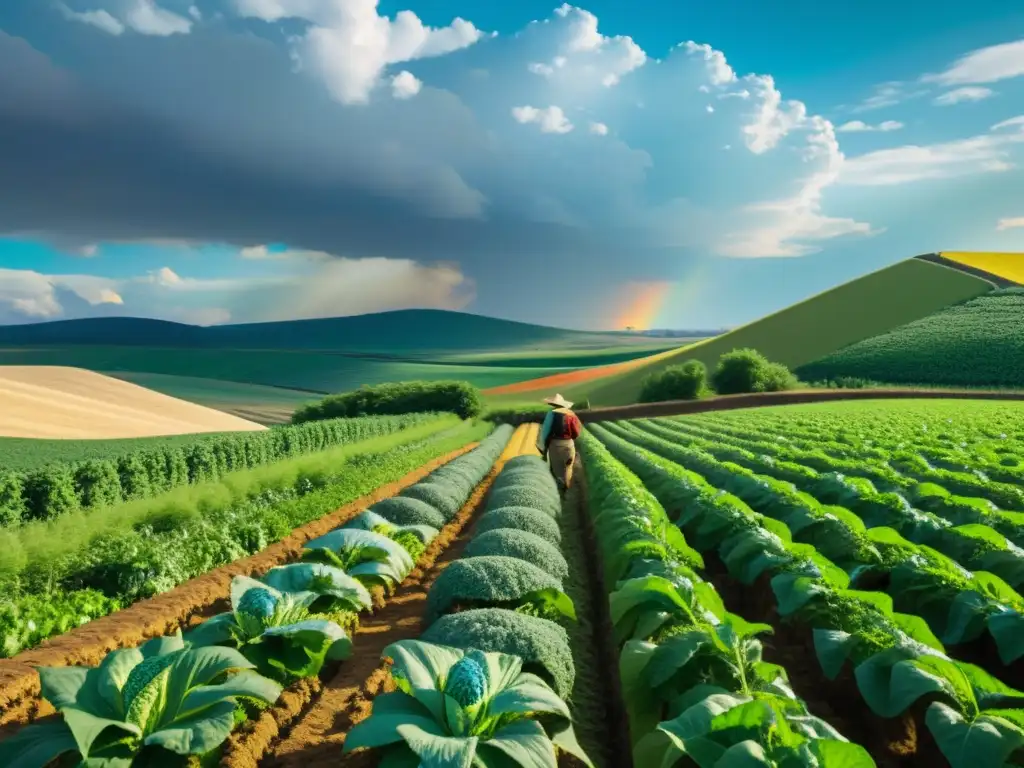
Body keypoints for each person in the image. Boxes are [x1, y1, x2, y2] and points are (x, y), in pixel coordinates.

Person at [536, 393, 582, 494]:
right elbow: (577, 432)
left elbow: (546, 431)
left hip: (555, 445)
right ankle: (567, 489)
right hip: (569, 444)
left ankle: (560, 494)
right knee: (568, 467)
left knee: (557, 471)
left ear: (553, 404)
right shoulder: (571, 414)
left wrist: (543, 447)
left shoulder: (552, 413)